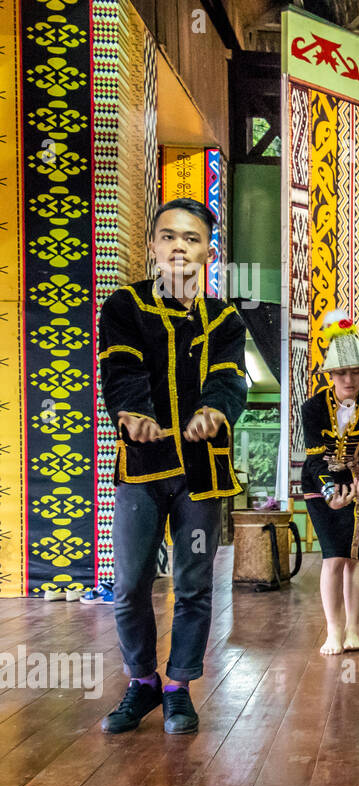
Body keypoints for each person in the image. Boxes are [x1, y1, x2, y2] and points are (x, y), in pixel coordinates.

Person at [97, 197, 247, 735]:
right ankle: (142, 683)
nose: (179, 246)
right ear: (153, 247)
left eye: (190, 238)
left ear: (209, 250)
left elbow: (232, 377)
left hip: (203, 474)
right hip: (141, 468)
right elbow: (121, 369)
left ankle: (179, 686)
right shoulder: (123, 307)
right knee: (129, 583)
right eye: (168, 236)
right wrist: (133, 414)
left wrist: (214, 411)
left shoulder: (224, 317)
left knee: (194, 582)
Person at [300, 312, 359, 655]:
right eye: (341, 372)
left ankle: (353, 627)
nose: (349, 379)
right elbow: (313, 458)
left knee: (353, 556)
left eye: (355, 371)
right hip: (318, 485)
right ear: (331, 374)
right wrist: (328, 492)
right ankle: (333, 630)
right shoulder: (312, 408)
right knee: (332, 556)